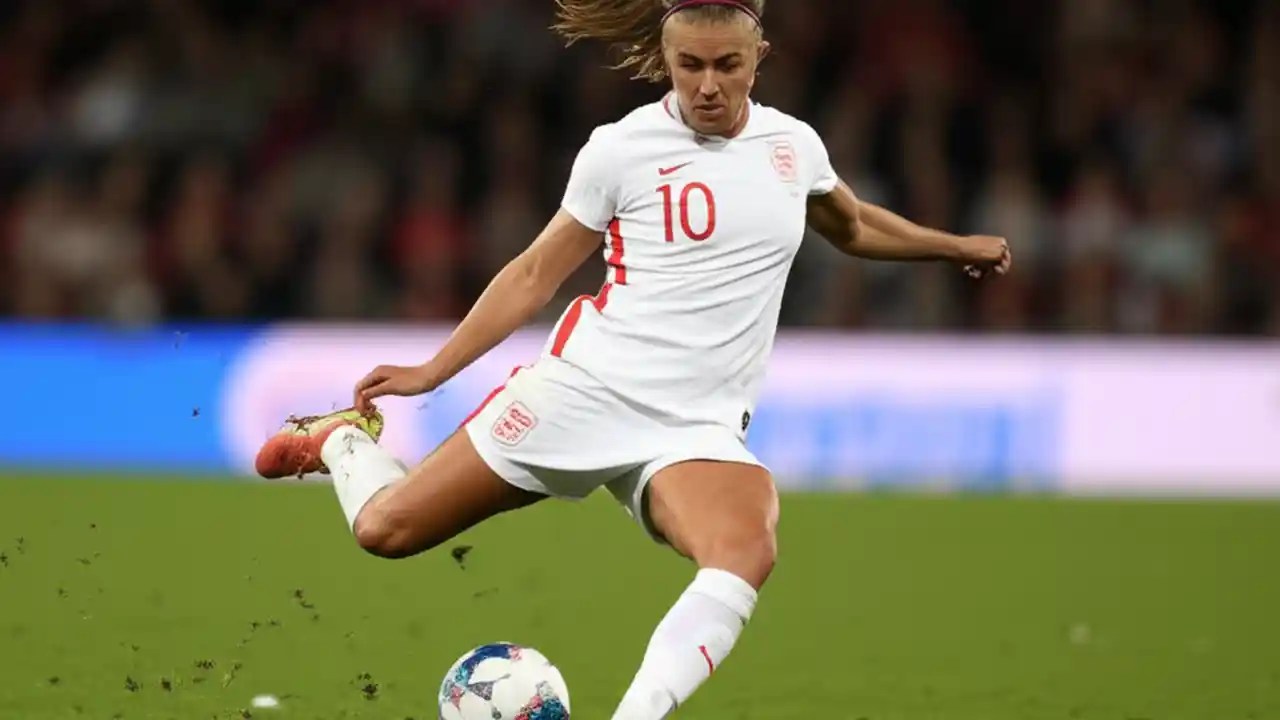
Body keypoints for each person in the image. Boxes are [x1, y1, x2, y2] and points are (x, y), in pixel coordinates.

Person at [254, 0, 1012, 717]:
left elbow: (851, 226)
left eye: (727, 65)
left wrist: (952, 247)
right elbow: (535, 274)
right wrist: (433, 370)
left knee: (745, 548)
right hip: (587, 390)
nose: (707, 85)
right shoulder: (620, 149)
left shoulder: (793, 147)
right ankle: (341, 441)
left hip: (695, 426)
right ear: (666, 58)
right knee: (385, 531)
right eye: (689, 66)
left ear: (759, 56)